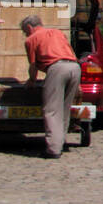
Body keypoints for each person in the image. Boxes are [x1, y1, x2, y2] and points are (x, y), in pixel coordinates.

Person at [21, 15, 80, 159]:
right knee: (65, 108)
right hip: (74, 67)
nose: (25, 34)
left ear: (29, 27)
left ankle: (53, 149)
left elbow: (33, 65)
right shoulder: (58, 33)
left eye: (25, 31)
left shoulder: (31, 39)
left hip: (57, 68)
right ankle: (61, 141)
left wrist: (31, 81)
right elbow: (71, 52)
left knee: (52, 110)